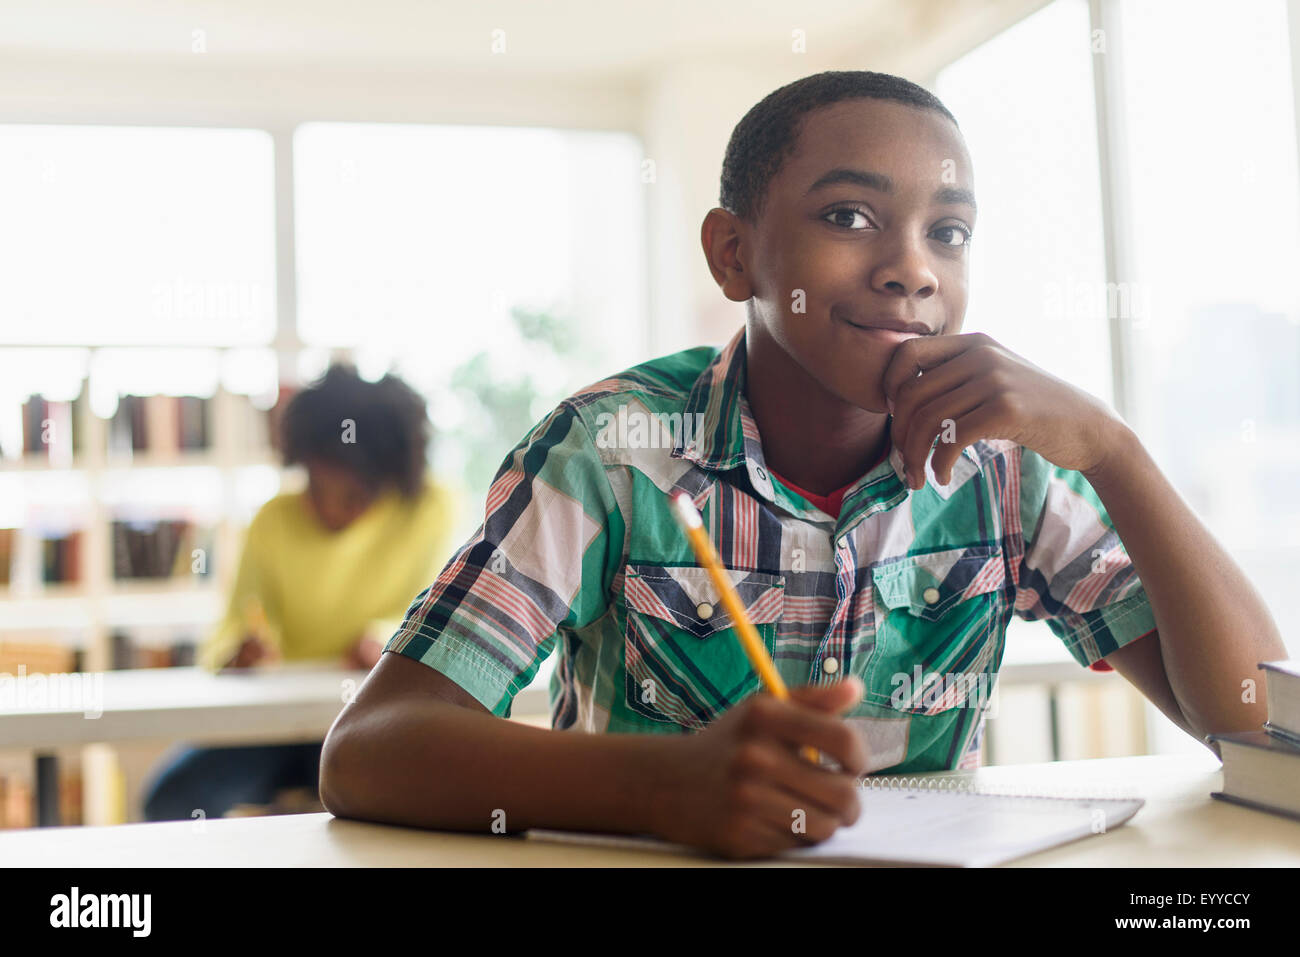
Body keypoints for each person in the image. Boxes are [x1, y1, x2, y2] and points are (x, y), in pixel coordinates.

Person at [317, 71, 1285, 859]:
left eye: (947, 232)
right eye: (850, 217)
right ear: (733, 255)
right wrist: (662, 790)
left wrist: (1114, 450)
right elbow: (371, 750)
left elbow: (1252, 726)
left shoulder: (1008, 471)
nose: (912, 267)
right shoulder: (614, 452)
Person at [142, 364, 455, 822]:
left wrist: (384, 638)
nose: (329, 507)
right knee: (168, 800)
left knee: (397, 808)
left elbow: (433, 613)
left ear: (387, 479)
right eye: (315, 485)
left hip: (376, 719)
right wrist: (237, 652)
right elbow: (230, 625)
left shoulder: (429, 508)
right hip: (274, 725)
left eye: (353, 495)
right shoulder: (273, 519)